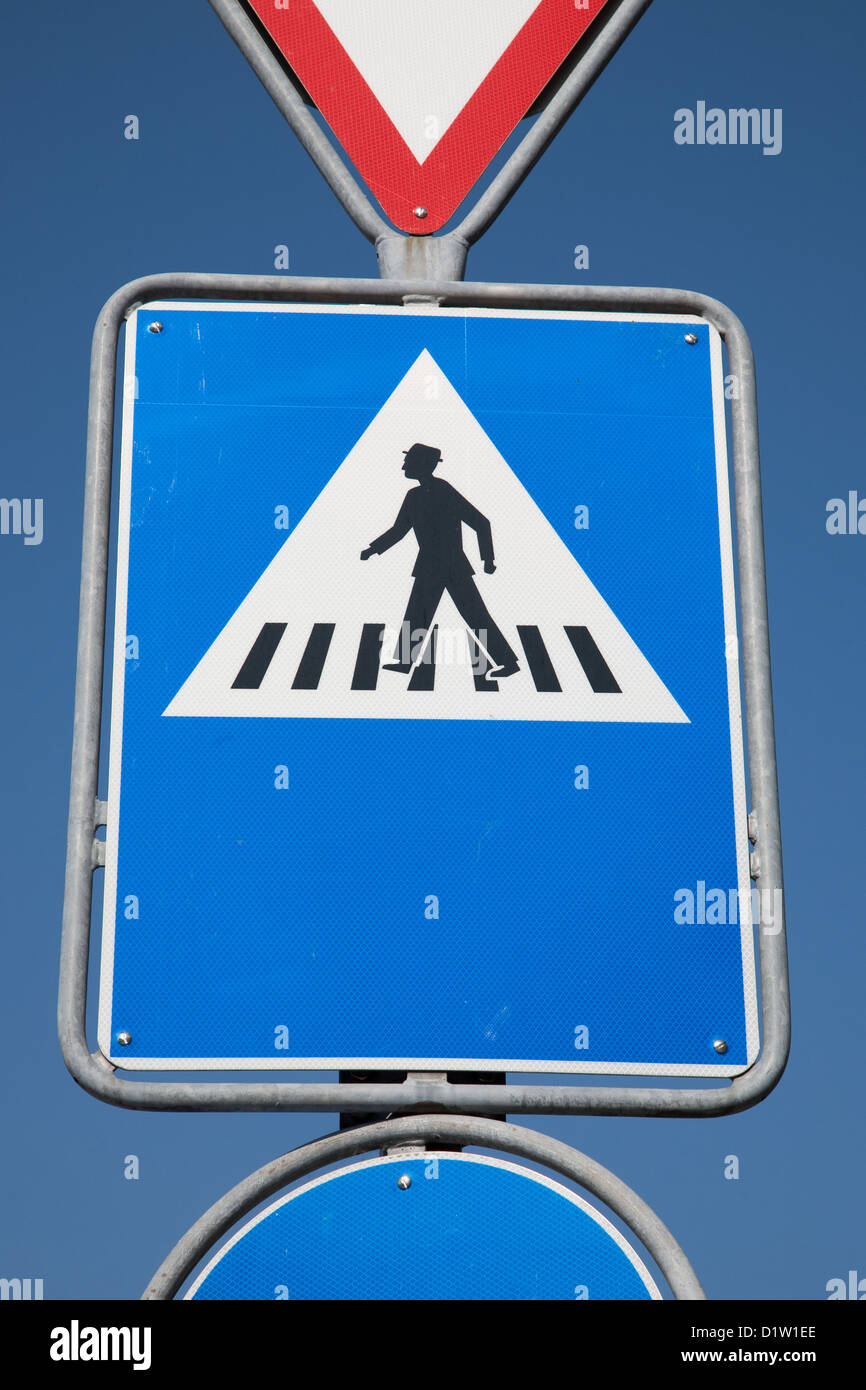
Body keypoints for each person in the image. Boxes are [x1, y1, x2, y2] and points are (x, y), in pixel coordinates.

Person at [360, 443, 519, 679]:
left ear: (423, 465)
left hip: (453, 565)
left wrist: (488, 558)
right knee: (417, 613)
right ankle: (405, 662)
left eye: (409, 461)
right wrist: (373, 549)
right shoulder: (413, 496)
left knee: (475, 614)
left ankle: (508, 663)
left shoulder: (444, 490)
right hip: (429, 565)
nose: (404, 466)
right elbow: (399, 530)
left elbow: (480, 522)